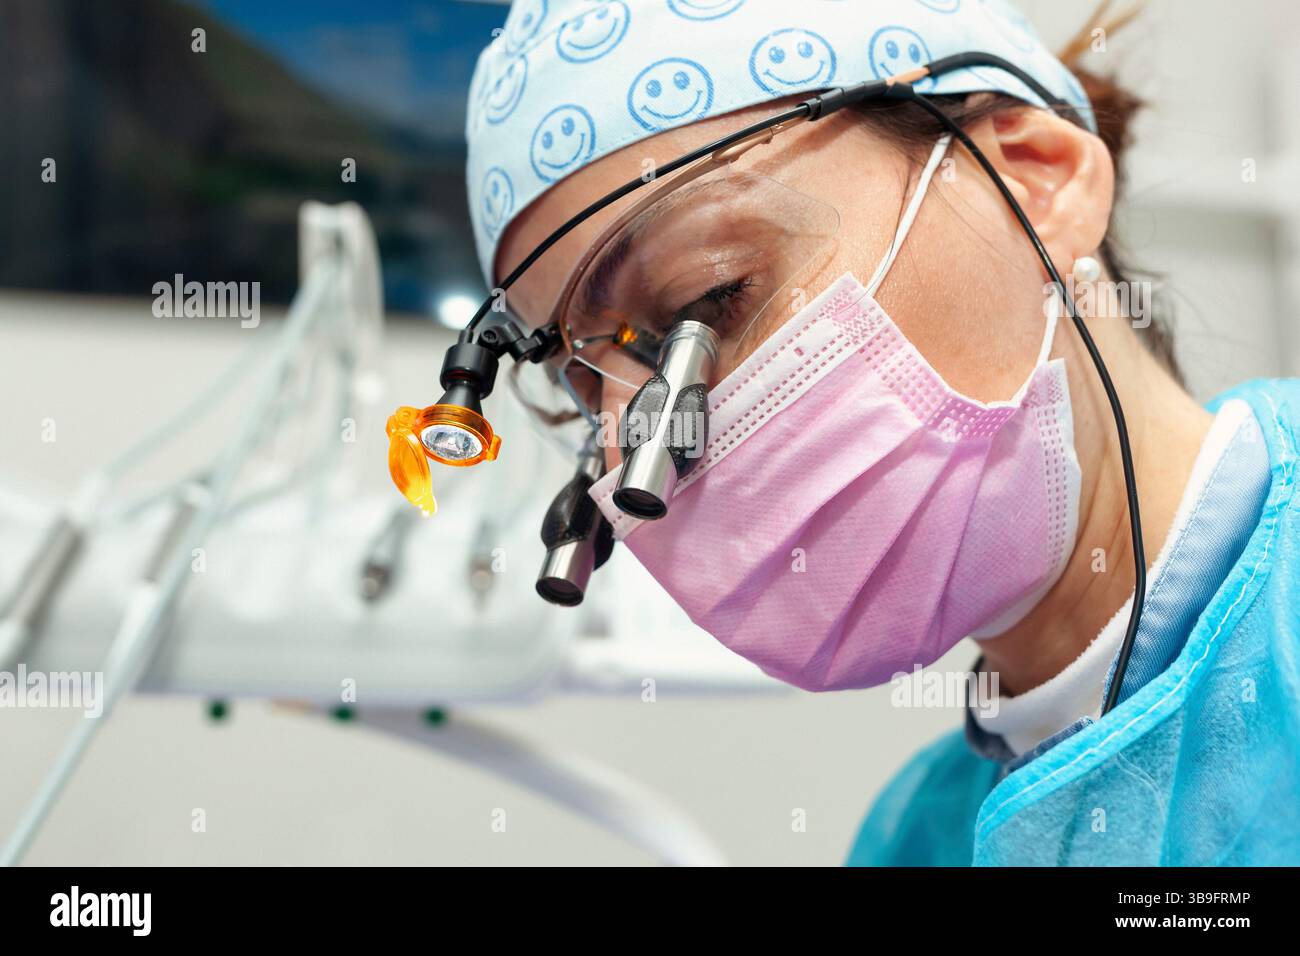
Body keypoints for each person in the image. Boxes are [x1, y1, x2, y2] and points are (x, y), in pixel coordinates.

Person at [460, 0, 1300, 865]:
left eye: (702, 302)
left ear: (1032, 178)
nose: (627, 449)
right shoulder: (916, 840)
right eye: (580, 383)